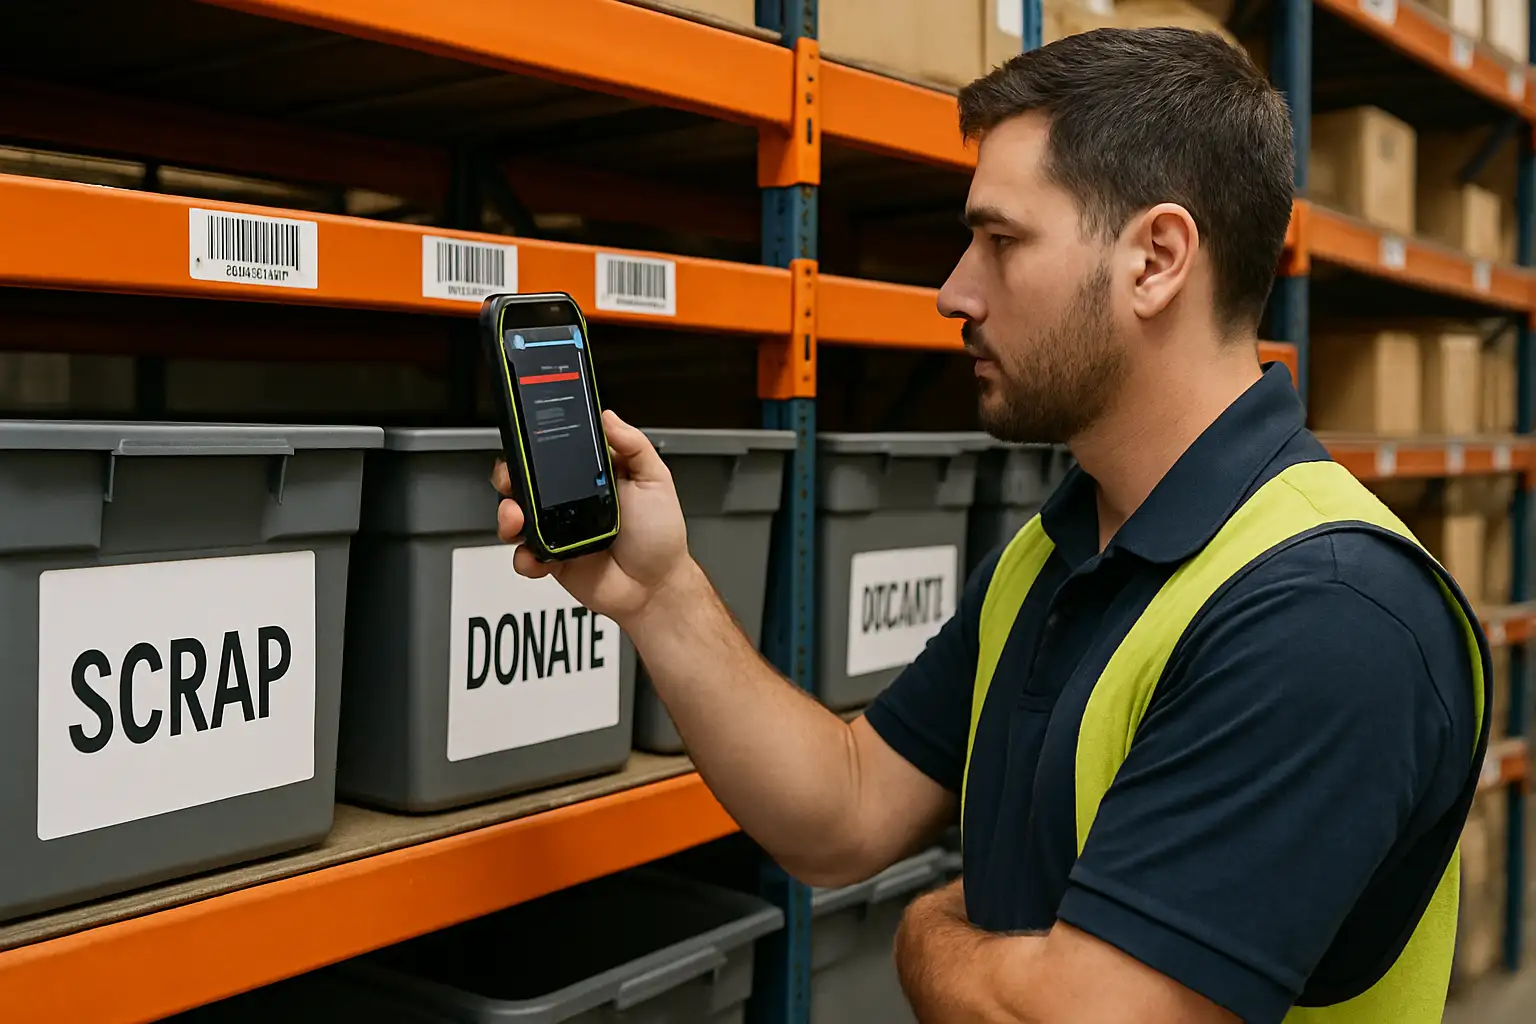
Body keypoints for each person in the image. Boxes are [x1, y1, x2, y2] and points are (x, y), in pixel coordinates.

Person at [492, 27, 1488, 1024]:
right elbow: (845, 807)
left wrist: (930, 932)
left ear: (1157, 259)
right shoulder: (1057, 553)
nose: (953, 292)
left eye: (1001, 241)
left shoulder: (1326, 613)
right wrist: (662, 596)